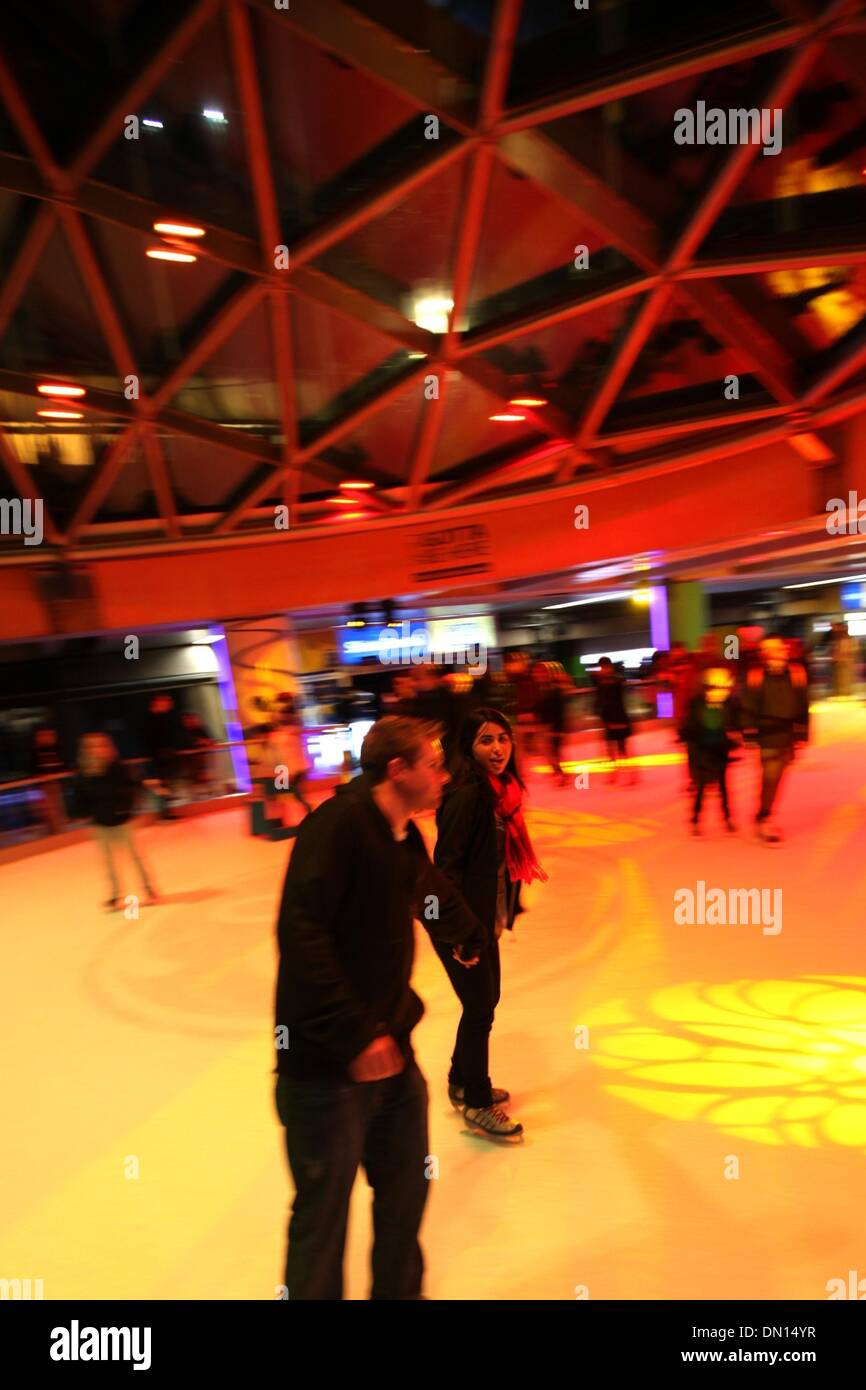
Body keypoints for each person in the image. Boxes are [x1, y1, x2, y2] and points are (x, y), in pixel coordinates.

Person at [274, 716, 487, 1301]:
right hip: (325, 1069)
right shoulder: (336, 829)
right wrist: (356, 1034)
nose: (445, 774)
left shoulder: (402, 834)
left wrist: (467, 934)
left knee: (405, 1194)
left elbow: (425, 889)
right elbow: (302, 935)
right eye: (434, 764)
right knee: (323, 1219)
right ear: (398, 770)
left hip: (392, 1053)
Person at [433, 707, 546, 1142]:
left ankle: (462, 1081)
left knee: (485, 1001)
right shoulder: (468, 796)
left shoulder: (502, 791)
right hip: (461, 921)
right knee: (480, 1008)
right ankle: (477, 1102)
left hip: (485, 916)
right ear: (468, 747)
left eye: (502, 738)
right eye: (485, 740)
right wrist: (461, 935)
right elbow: (448, 870)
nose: (497, 748)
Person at [74, 734, 157, 910]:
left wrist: (124, 808)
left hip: (121, 819)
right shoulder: (84, 772)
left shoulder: (117, 768)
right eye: (92, 747)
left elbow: (130, 789)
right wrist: (83, 813)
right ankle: (114, 894)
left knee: (134, 857)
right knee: (108, 861)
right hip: (100, 821)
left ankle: (148, 889)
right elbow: (81, 796)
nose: (97, 750)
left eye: (101, 745)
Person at [740, 636, 809, 844]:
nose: (776, 652)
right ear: (764, 654)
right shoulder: (756, 675)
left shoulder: (797, 673)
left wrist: (802, 734)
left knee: (777, 778)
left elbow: (803, 705)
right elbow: (748, 705)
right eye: (770, 650)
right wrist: (749, 734)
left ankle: (764, 814)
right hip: (767, 734)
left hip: (787, 734)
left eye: (779, 648)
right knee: (770, 777)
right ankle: (764, 817)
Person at [682, 667, 741, 835]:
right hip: (702, 751)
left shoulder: (728, 704)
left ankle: (727, 818)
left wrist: (733, 739)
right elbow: (690, 727)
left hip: (719, 750)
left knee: (723, 787)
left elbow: (734, 721)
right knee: (701, 787)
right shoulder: (697, 704)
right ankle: (695, 819)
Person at [593, 657, 636, 783]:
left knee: (622, 749)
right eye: (602, 667)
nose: (603, 670)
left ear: (610, 667)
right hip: (608, 719)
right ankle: (614, 774)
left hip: (619, 718)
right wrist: (598, 713)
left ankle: (631, 774)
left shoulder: (616, 681)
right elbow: (599, 700)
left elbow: (617, 700)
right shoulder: (601, 683)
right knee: (610, 750)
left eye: (605, 667)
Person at [143, 693, 180, 819]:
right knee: (160, 785)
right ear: (157, 702)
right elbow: (151, 741)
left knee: (163, 785)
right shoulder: (151, 719)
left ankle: (165, 812)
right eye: (165, 703)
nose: (168, 706)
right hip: (158, 758)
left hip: (159, 757)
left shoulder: (157, 718)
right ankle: (163, 813)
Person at [31, 724, 68, 834]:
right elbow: (33, 768)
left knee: (59, 807)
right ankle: (54, 831)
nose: (47, 738)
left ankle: (60, 830)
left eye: (49, 735)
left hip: (56, 783)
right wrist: (40, 778)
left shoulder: (57, 749)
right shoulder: (36, 752)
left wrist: (61, 777)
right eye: (43, 736)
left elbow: (62, 764)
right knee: (49, 809)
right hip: (44, 785)